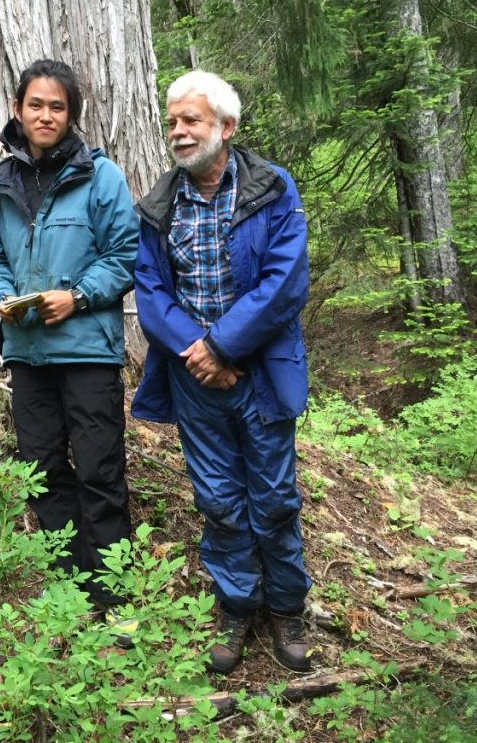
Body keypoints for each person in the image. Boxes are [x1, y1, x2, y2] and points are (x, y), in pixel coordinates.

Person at [131, 71, 313, 673]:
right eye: (173, 121)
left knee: (275, 499)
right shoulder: (160, 205)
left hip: (259, 374)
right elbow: (151, 291)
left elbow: (284, 284)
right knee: (219, 501)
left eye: (192, 121)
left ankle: (286, 608)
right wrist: (198, 352)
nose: (179, 132)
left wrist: (224, 349)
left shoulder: (272, 190)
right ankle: (237, 607)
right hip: (194, 381)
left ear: (226, 128)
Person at [0, 59, 139, 641]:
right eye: (36, 104)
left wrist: (79, 296)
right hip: (27, 353)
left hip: (87, 350)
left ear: (72, 116)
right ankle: (67, 588)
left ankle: (114, 596)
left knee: (99, 470)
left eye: (57, 106)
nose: (45, 115)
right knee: (42, 470)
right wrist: (0, 297)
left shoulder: (102, 177)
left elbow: (125, 255)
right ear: (18, 109)